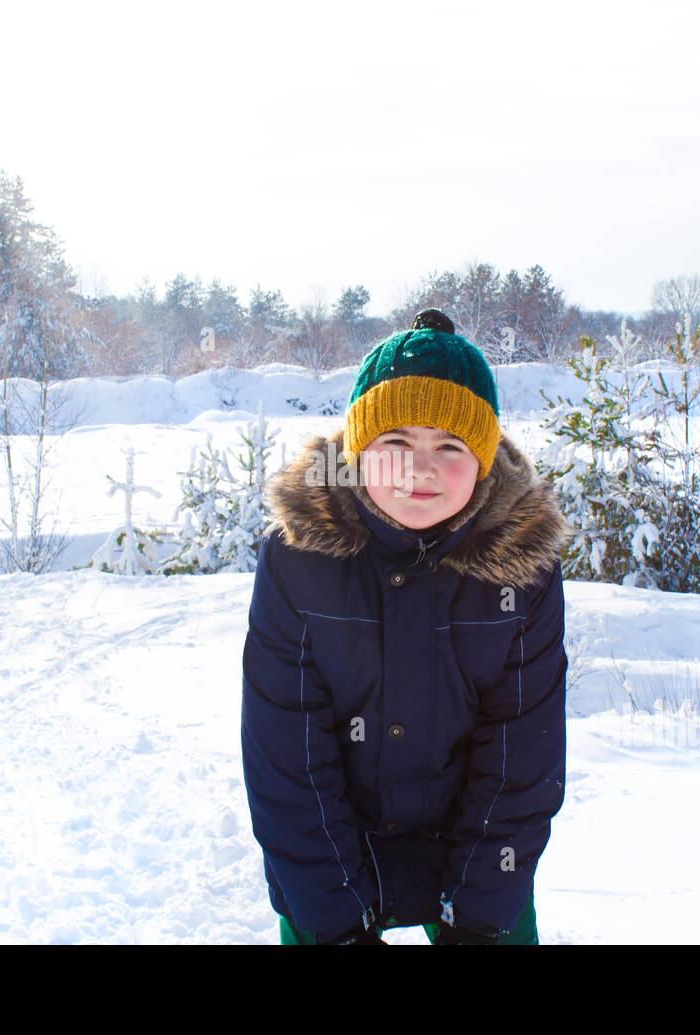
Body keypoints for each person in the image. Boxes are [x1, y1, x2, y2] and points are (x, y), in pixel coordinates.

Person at [241, 308, 574, 945]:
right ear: (359, 452)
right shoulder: (298, 559)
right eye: (395, 444)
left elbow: (522, 757)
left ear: (482, 462)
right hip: (330, 857)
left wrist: (476, 919)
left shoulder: (522, 567)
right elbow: (287, 759)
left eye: (450, 447)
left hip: (475, 857)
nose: (420, 470)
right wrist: (336, 922)